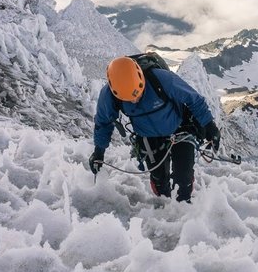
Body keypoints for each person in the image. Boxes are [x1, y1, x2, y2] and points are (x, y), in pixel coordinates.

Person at [88, 56, 220, 202]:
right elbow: (103, 123)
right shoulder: (109, 96)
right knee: (160, 186)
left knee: (183, 180)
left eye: (137, 95)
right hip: (148, 138)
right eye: (129, 99)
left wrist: (210, 126)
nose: (134, 101)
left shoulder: (162, 79)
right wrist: (99, 152)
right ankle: (167, 212)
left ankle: (184, 212)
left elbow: (194, 100)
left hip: (180, 128)